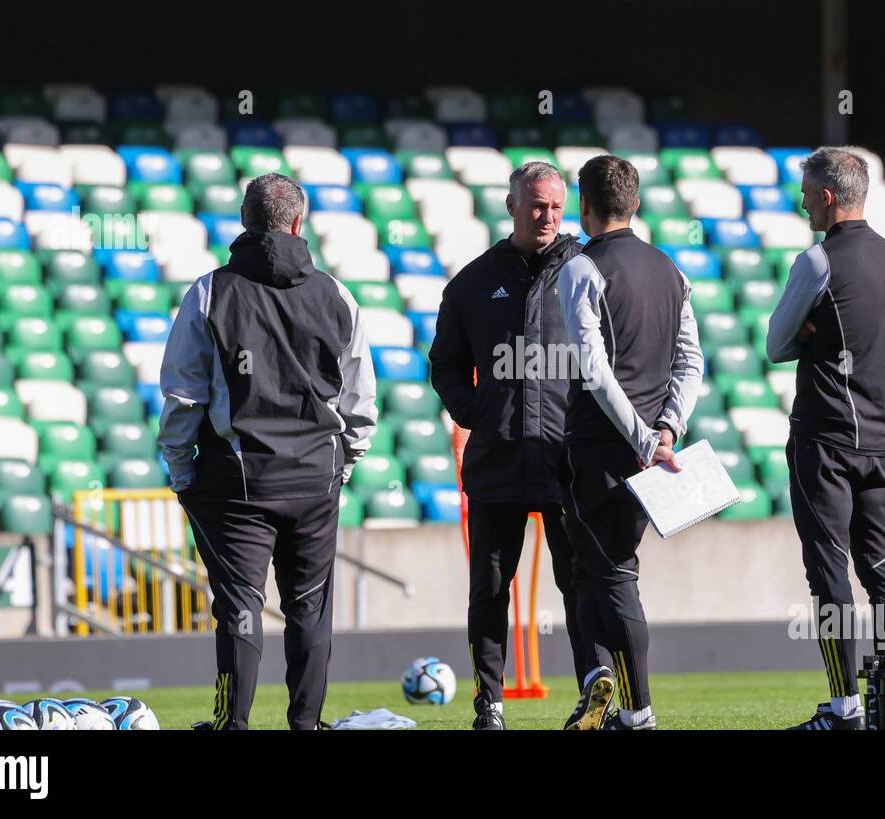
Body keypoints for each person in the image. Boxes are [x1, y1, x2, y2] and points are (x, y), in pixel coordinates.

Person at [158, 172, 377, 730]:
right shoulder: (337, 295)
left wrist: (181, 471)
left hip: (237, 483)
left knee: (239, 605)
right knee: (309, 607)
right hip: (314, 483)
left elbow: (183, 395)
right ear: (298, 223)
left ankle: (233, 725)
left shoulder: (210, 292)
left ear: (243, 222)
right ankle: (306, 724)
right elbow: (360, 400)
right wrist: (342, 465)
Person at [429, 161, 604, 730]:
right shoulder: (474, 283)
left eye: (556, 206)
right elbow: (446, 364)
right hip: (498, 460)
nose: (547, 216)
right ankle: (490, 704)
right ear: (511, 207)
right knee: (488, 590)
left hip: (567, 461)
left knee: (578, 583)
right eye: (535, 206)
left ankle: (592, 690)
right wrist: (477, 411)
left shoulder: (588, 271)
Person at [765, 147, 885, 731]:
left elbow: (776, 344)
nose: (801, 200)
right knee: (883, 568)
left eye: (806, 191)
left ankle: (845, 706)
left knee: (828, 573)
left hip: (824, 440)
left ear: (827, 196)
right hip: (880, 439)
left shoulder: (817, 261)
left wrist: (810, 332)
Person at [556, 154, 703, 730]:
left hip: (600, 451)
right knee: (602, 572)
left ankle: (639, 714)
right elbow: (690, 362)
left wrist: (645, 438)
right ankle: (611, 693)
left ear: (584, 205)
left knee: (614, 576)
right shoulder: (670, 269)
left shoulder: (581, 269)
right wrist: (669, 428)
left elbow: (593, 370)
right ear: (635, 204)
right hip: (652, 451)